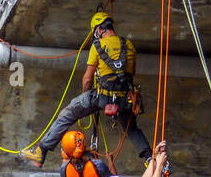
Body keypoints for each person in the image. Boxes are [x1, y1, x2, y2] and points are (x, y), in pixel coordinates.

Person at [20, 10, 152, 168]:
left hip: (101, 97)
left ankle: (41, 152)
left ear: (99, 29)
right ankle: (150, 159)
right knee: (132, 129)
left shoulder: (98, 46)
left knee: (68, 114)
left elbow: (88, 78)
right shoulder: (129, 45)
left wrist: (85, 97)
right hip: (125, 99)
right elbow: (131, 73)